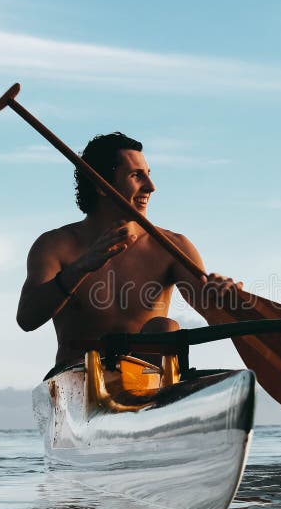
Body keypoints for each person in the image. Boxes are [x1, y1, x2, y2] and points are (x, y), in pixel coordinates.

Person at [16, 132, 241, 366]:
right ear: (101, 186)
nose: (151, 187)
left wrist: (223, 298)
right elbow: (27, 319)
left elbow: (217, 317)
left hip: (150, 381)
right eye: (136, 176)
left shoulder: (173, 247)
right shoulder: (54, 245)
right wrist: (81, 267)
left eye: (149, 175)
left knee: (163, 327)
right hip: (78, 379)